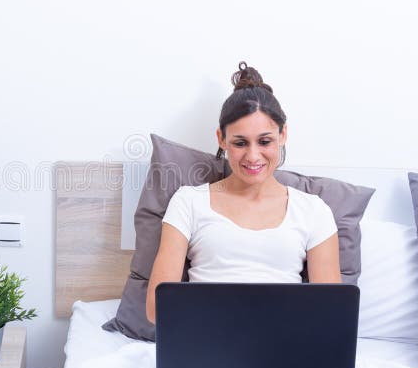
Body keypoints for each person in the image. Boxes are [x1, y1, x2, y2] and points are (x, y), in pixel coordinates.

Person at [146, 62, 341, 323]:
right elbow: (156, 309)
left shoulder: (313, 211)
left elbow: (331, 314)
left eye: (264, 141)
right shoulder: (188, 202)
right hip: (206, 344)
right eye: (240, 143)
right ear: (221, 139)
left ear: (282, 135)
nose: (253, 156)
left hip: (285, 348)